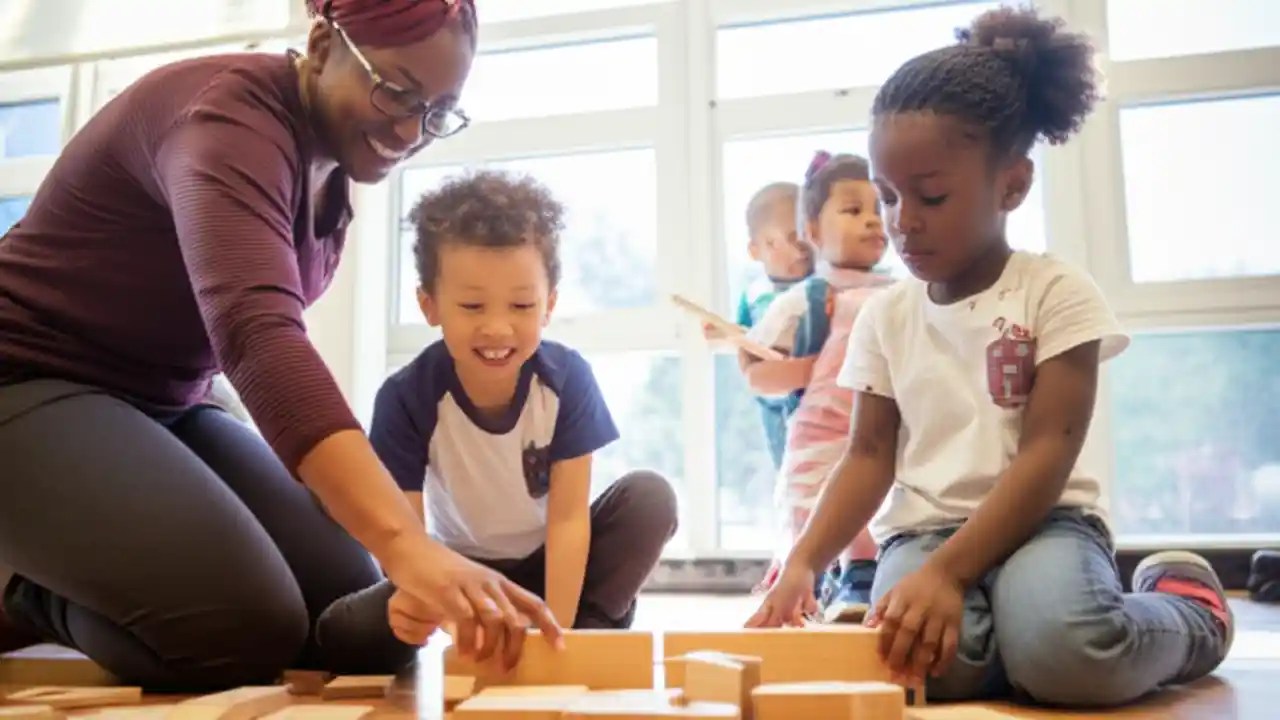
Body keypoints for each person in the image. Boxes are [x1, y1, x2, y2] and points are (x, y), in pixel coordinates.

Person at [0, 0, 564, 692]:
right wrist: (406, 542)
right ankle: (26, 586)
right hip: (24, 377)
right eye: (396, 90)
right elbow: (256, 334)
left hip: (161, 401)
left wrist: (414, 575)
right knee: (241, 632)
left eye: (438, 111)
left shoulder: (330, 168)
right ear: (323, 44)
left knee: (349, 611)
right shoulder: (223, 120)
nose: (411, 128)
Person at [747, 6, 1233, 709]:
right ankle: (1018, 634)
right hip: (920, 531)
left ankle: (1187, 611)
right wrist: (802, 562)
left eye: (931, 195)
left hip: (1045, 523)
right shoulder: (887, 314)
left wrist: (949, 575)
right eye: (887, 197)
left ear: (1012, 185)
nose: (902, 221)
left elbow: (1048, 452)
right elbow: (866, 456)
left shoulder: (1056, 292)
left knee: (1072, 659)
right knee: (928, 669)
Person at [312, 170, 679, 672]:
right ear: (430, 305)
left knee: (650, 498)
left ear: (549, 305)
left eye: (522, 305)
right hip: (456, 572)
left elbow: (570, 520)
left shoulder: (567, 379)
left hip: (549, 564)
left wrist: (559, 633)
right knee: (345, 635)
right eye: (471, 306)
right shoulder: (405, 397)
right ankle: (510, 632)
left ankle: (588, 629)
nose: (497, 327)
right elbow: (408, 536)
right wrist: (433, 606)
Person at [746, 153, 891, 608]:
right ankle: (812, 587)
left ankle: (864, 579)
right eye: (853, 210)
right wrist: (813, 367)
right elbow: (756, 373)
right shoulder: (803, 299)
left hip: (886, 434)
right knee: (813, 518)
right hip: (818, 440)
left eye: (879, 209)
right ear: (812, 232)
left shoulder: (906, 295)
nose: (872, 221)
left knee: (877, 516)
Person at [710, 182, 814, 470]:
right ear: (755, 250)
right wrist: (725, 334)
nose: (798, 250)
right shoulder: (753, 292)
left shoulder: (820, 287)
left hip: (815, 398)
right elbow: (743, 336)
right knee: (788, 471)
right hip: (773, 403)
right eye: (780, 241)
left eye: (804, 237)